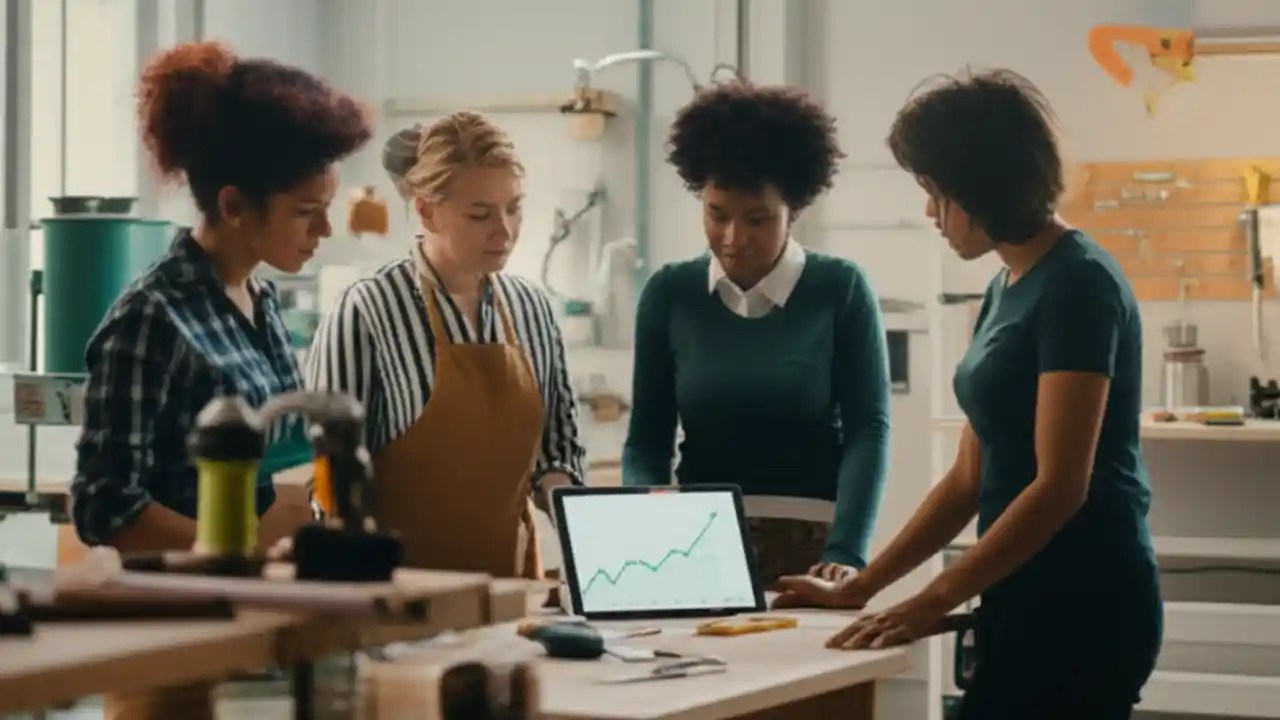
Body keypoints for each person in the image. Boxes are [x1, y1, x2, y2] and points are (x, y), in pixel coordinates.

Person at [774, 70, 1162, 720]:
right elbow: (966, 477)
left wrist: (931, 601)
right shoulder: (1005, 285)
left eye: (936, 192)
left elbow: (1060, 485)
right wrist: (864, 587)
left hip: (1087, 602)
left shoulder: (1079, 285)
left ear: (985, 185)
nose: (929, 212)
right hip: (1020, 594)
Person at [68, 41, 371, 719]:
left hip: (261, 629)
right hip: (177, 647)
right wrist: (238, 551)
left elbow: (282, 464)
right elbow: (102, 506)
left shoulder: (258, 303)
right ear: (234, 206)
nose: (325, 228)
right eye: (304, 210)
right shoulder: (151, 319)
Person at [621, 82, 891, 586]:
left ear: (795, 210)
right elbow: (647, 441)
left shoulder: (840, 288)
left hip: (814, 547)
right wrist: (648, 530)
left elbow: (868, 432)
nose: (732, 239)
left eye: (757, 219)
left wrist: (848, 550)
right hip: (695, 542)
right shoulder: (669, 293)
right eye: (716, 215)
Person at [305, 111, 586, 579]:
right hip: (398, 603)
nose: (505, 230)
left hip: (510, 597)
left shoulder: (533, 309)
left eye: (514, 208)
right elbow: (331, 486)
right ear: (426, 210)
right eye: (480, 214)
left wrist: (590, 544)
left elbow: (556, 457)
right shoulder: (367, 311)